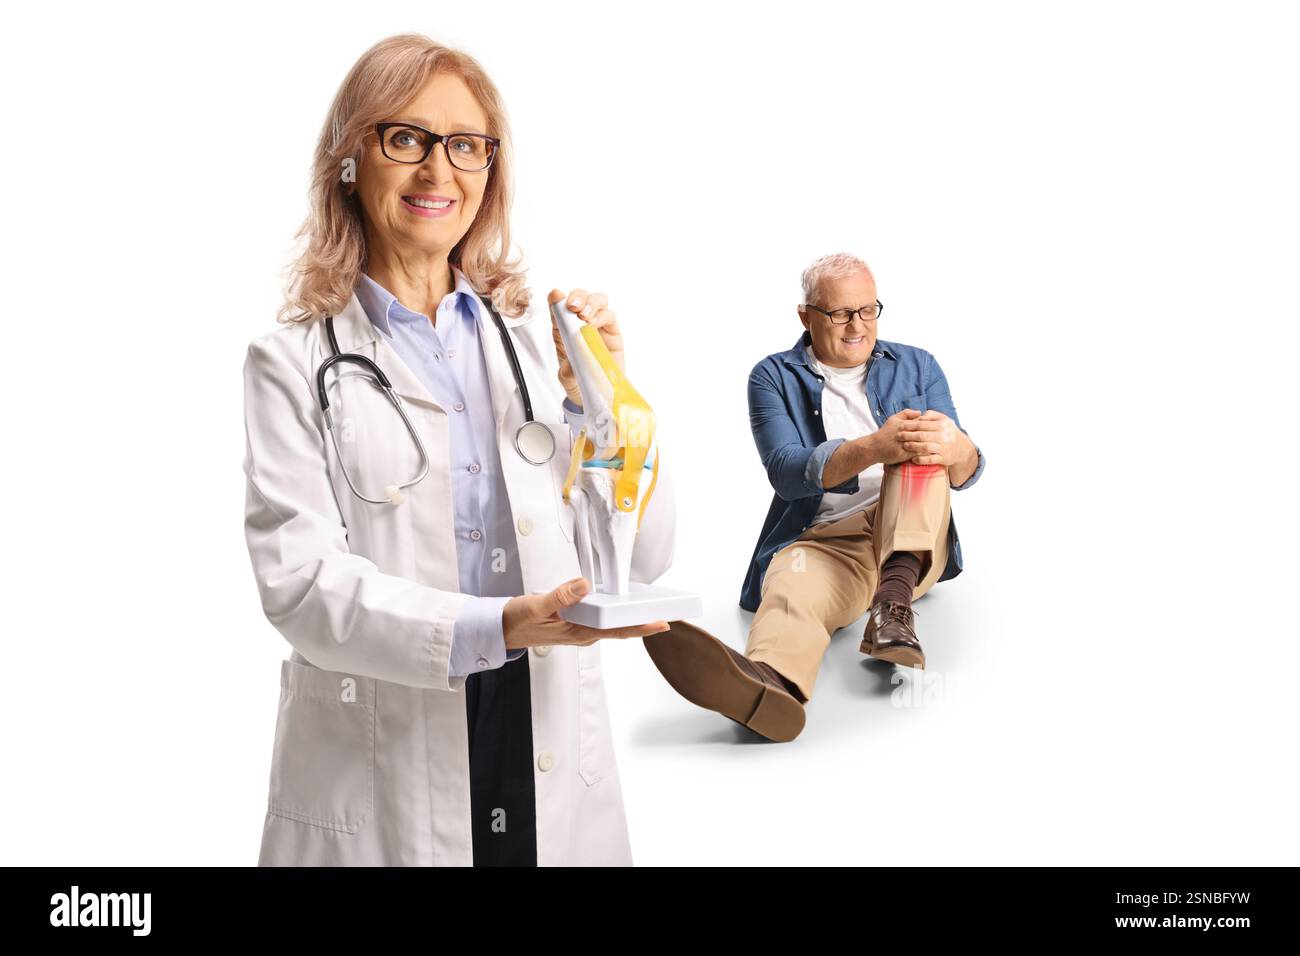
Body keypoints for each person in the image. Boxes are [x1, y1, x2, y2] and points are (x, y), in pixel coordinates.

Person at [242, 33, 676, 866]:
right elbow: (300, 584)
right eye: (405, 139)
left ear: (491, 170)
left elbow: (641, 558)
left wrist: (606, 403)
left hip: (543, 717)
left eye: (467, 146)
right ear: (348, 160)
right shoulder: (290, 362)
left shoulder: (533, 347)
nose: (439, 171)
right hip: (388, 734)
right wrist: (498, 624)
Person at [645, 253, 983, 742]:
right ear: (806, 315)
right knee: (793, 584)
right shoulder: (772, 376)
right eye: (840, 313)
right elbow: (787, 473)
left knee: (921, 449)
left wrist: (960, 448)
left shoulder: (918, 364)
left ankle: (893, 605)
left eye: (868, 310)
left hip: (913, 540)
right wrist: (872, 447)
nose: (857, 326)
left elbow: (963, 471)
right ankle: (770, 688)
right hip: (826, 541)